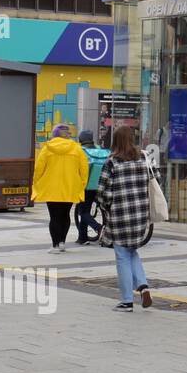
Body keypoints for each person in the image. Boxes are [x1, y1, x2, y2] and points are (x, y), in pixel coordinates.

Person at [96, 125, 154, 312]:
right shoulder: (144, 158)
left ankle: (127, 301)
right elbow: (156, 179)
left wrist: (107, 207)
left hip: (121, 214)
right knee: (131, 251)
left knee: (121, 254)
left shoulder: (112, 162)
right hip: (140, 214)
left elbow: (102, 192)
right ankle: (143, 286)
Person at [31, 124, 88, 253]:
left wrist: (36, 183)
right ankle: (62, 242)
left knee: (54, 217)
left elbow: (39, 169)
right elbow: (84, 170)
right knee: (65, 215)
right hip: (70, 187)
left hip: (51, 188)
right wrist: (81, 185)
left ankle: (55, 245)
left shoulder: (47, 148)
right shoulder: (77, 149)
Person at [75, 130, 110, 244]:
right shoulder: (99, 149)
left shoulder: (80, 151)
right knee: (86, 211)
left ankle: (98, 228)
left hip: (85, 186)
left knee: (83, 212)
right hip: (100, 185)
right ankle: (82, 238)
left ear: (80, 140)